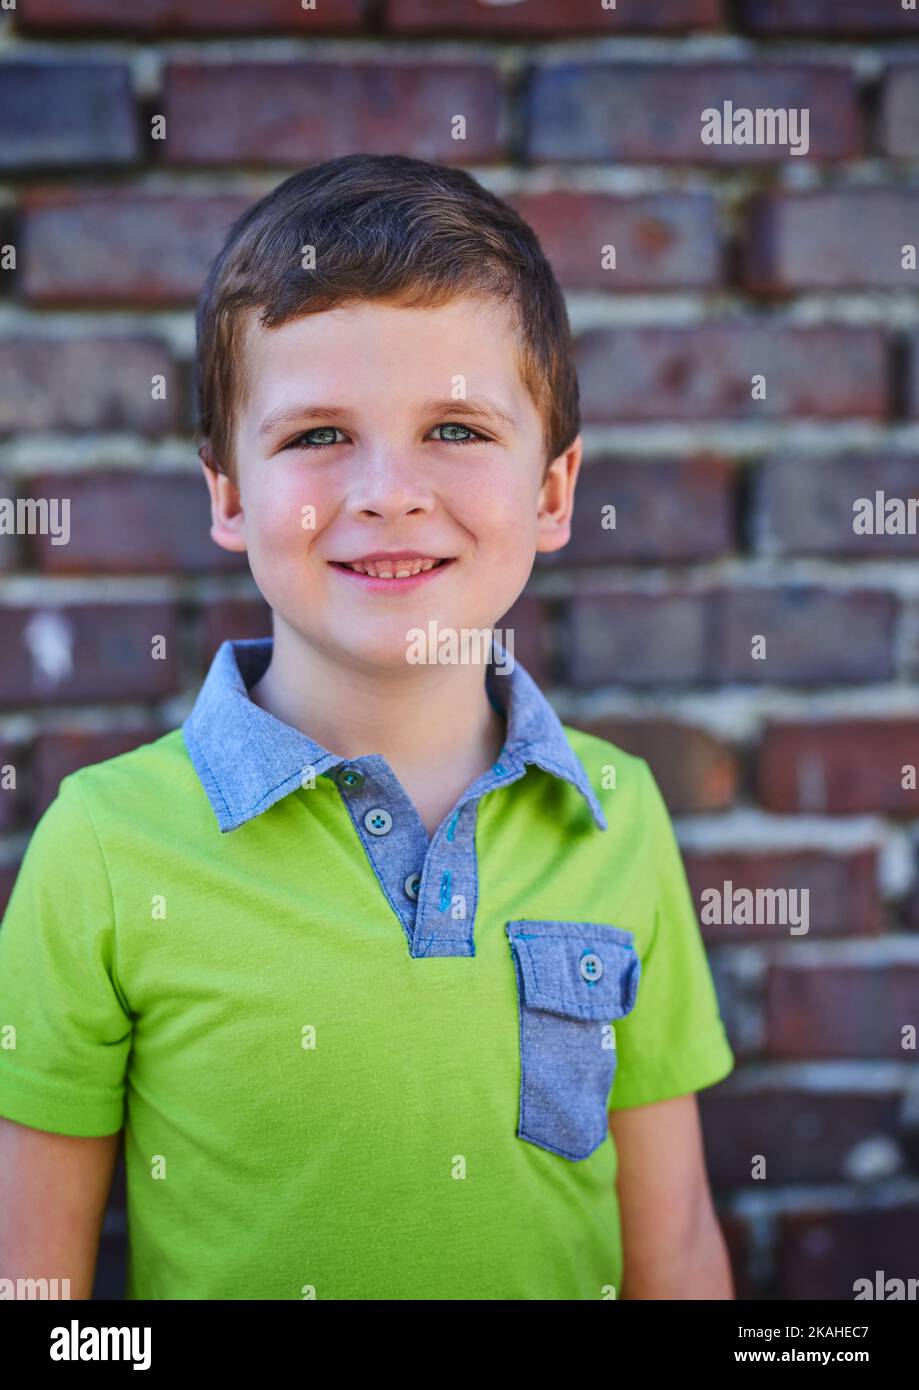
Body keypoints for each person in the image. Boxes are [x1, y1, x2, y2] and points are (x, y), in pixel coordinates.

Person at [0, 154, 735, 1300]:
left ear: (552, 490)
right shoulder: (102, 847)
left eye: (453, 429)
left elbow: (677, 1244)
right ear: (228, 494)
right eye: (317, 436)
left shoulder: (617, 813)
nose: (388, 490)